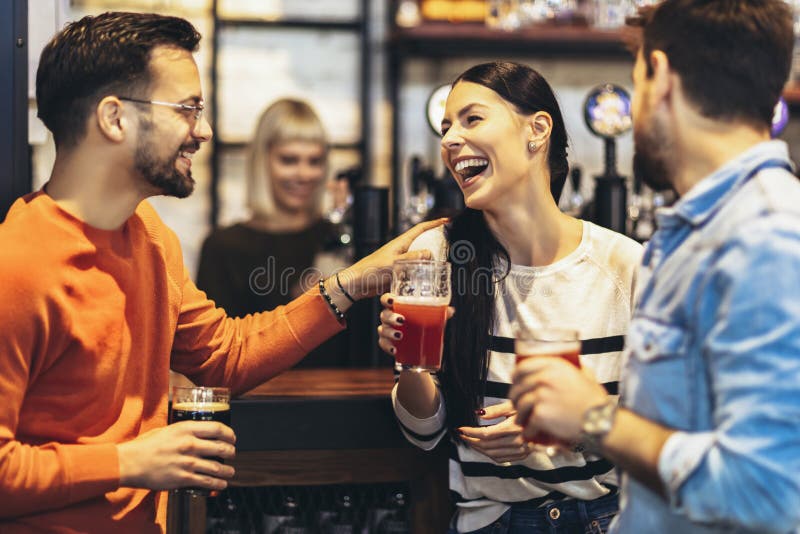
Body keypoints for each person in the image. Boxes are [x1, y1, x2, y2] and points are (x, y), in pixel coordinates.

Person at [0, 12, 442, 533]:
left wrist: (354, 282)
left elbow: (223, 355)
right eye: (187, 109)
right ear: (114, 118)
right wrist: (131, 462)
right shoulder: (19, 264)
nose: (203, 131)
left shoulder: (149, 236)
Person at [509, 1, 800, 533]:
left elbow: (768, 491)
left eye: (636, 79)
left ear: (660, 76)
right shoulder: (697, 229)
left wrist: (596, 419)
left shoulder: (766, 236)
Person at [377, 61, 643, 533]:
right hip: (493, 521)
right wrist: (412, 364)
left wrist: (568, 427)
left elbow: (664, 426)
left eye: (471, 119)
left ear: (536, 130)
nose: (450, 140)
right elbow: (423, 434)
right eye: (446, 127)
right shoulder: (434, 255)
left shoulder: (625, 265)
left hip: (605, 519)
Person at [196, 98, 348, 367]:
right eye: (289, 160)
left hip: (341, 401)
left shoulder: (339, 238)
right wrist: (303, 302)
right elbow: (214, 355)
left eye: (314, 161)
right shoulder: (223, 247)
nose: (304, 174)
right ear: (262, 161)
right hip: (256, 405)